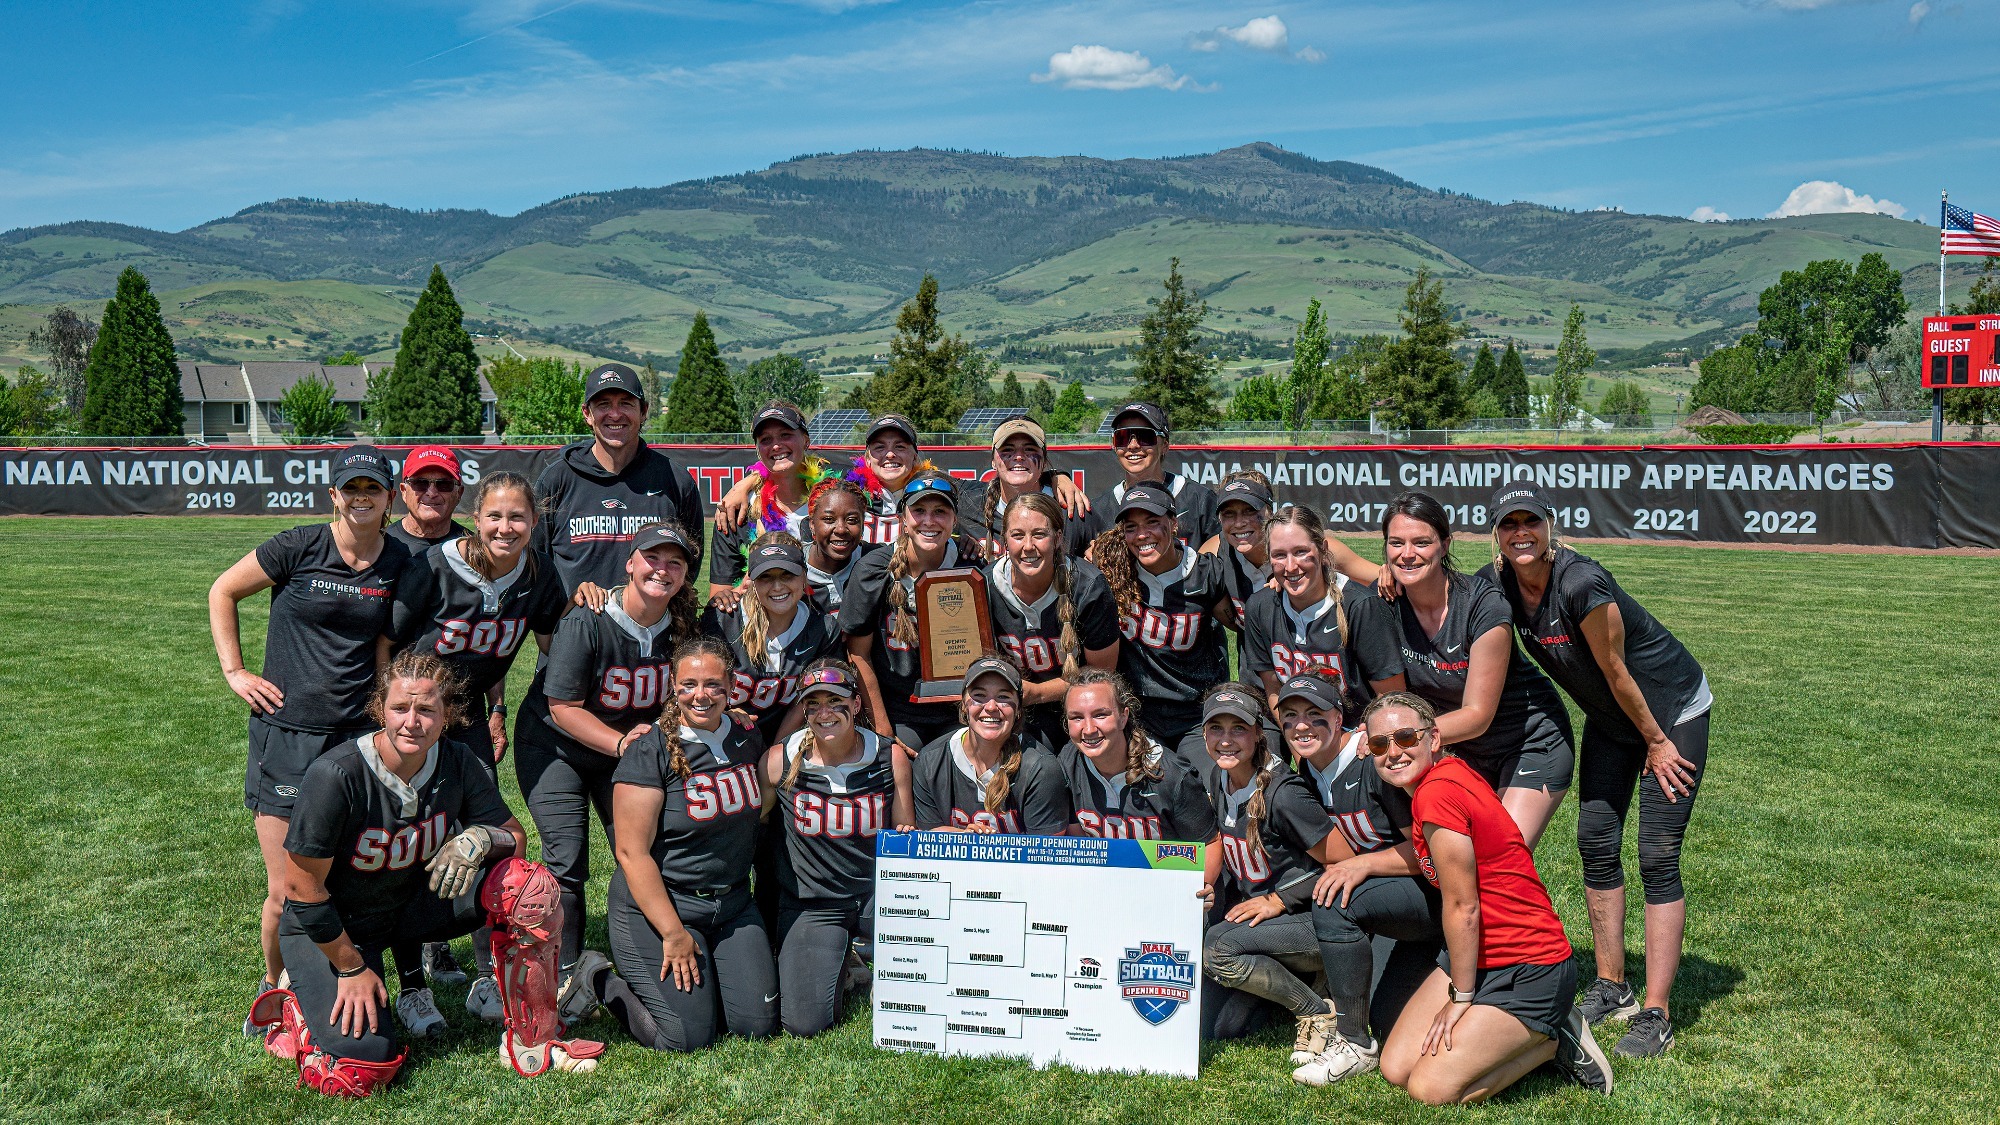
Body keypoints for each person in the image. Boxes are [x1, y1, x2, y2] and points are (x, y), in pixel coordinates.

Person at [245, 650, 602, 1096]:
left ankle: (532, 1039)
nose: (412, 721)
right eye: (400, 708)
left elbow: (514, 836)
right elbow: (301, 887)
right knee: (360, 1073)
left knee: (528, 888)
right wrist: (351, 967)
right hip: (336, 929)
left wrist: (479, 840)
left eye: (427, 709)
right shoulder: (336, 775)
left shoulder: (456, 760)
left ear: (448, 714)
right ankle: (296, 1008)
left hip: (410, 905)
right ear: (380, 710)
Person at [1479, 484, 1709, 1059]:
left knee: (1657, 852)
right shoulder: (1499, 584)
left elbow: (1615, 670)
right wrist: (1382, 573)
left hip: (1670, 711)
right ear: (1497, 535)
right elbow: (1442, 587)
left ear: (1551, 527)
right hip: (1611, 720)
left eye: (1531, 521)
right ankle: (1613, 987)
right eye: (1510, 524)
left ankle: (1656, 1013)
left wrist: (1657, 742)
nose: (1521, 533)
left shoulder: (1581, 582)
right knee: (1595, 841)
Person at [209, 445, 415, 1034]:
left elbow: (388, 649)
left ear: (388, 496)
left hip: (355, 741)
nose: (361, 499)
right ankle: (273, 987)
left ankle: (341, 975)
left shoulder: (398, 561)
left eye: (372, 490)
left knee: (345, 878)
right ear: (334, 495)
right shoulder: (299, 546)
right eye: (351, 489)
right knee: (285, 888)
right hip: (289, 735)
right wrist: (235, 671)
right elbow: (223, 590)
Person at [1368, 692, 1613, 1103]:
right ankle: (1527, 1029)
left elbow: (1464, 907)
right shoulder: (1445, 777)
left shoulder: (1436, 794)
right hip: (1480, 956)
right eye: (1380, 743)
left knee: (1430, 1089)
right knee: (1395, 1068)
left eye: (1406, 737)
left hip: (1529, 967)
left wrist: (1461, 998)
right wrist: (1363, 864)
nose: (1393, 752)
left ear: (1433, 738)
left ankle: (1554, 1039)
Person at [388, 470, 570, 1018]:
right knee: (404, 841)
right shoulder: (437, 566)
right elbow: (389, 643)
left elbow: (551, 641)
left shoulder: (537, 573)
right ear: (477, 516)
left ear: (534, 523)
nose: (506, 527)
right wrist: (390, 722)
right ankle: (413, 982)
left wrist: (502, 708)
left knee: (485, 836)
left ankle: (489, 972)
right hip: (413, 722)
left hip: (465, 722)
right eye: (495, 516)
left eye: (518, 517)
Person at [512, 522, 701, 1017]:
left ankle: (646, 951)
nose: (662, 569)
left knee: (646, 851)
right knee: (567, 857)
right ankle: (564, 974)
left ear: (685, 576)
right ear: (630, 562)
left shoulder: (682, 625)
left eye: (674, 563)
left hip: (623, 749)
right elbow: (561, 706)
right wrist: (620, 744)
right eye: (652, 558)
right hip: (557, 746)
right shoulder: (589, 618)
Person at [1353, 492, 1575, 849]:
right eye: (1396, 543)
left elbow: (1477, 716)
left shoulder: (1483, 604)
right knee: (1451, 861)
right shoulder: (1384, 603)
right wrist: (1275, 581)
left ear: (1444, 545)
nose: (1407, 554)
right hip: (1455, 748)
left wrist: (1396, 736)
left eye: (1421, 542)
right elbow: (1324, 557)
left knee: (1499, 856)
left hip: (1528, 740)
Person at [596, 637, 776, 1052]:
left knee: (755, 1026)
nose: (700, 695)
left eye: (713, 684)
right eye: (688, 684)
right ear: (672, 687)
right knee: (687, 1037)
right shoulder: (649, 750)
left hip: (732, 904)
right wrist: (673, 933)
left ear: (731, 686)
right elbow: (630, 852)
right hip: (664, 905)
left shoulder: (747, 736)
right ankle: (597, 979)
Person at [1274, 672, 1443, 1088]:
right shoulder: (1309, 766)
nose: (1302, 726)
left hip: (1437, 893)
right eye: (1291, 715)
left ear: (1340, 717)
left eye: (1315, 715)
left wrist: (1362, 865)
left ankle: (1352, 1042)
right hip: (1391, 904)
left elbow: (1429, 853)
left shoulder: (1373, 759)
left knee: (1335, 900)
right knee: (1386, 1015)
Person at [1196, 683, 1351, 1055]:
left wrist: (1279, 899)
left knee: (1218, 951)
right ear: (1203, 734)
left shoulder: (1284, 793)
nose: (1226, 740)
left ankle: (1317, 1011)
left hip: (1315, 922)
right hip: (1265, 927)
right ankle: (1300, 981)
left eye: (1238, 728)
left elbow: (1345, 861)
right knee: (1223, 1028)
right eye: (1216, 728)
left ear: (1258, 733)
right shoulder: (1220, 776)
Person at [762, 657, 913, 1036]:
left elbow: (905, 831)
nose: (824, 713)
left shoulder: (888, 754)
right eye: (813, 704)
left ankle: (863, 950)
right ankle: (844, 957)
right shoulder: (781, 758)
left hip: (879, 896)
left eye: (835, 701)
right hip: (814, 903)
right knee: (804, 1024)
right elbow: (751, 824)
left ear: (857, 704)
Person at [839, 470, 986, 752]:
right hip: (900, 711)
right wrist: (882, 728)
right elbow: (858, 653)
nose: (929, 521)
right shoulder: (873, 570)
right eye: (919, 510)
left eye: (940, 511)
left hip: (959, 707)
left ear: (955, 519)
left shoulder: (972, 568)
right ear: (903, 519)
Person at [1091, 482, 1235, 766]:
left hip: (1194, 714)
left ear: (1173, 523)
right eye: (1131, 526)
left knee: (1208, 782)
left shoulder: (1204, 574)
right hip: (1138, 714)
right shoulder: (1114, 572)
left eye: (1153, 522)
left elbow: (1241, 623)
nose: (1142, 534)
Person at [533, 363, 705, 598]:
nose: (615, 414)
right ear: (587, 414)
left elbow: (689, 562)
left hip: (653, 631)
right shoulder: (557, 479)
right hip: (576, 629)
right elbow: (535, 562)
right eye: (604, 404)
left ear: (643, 411)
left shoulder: (676, 480)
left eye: (626, 403)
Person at [1242, 504, 1405, 728]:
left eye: (1301, 552)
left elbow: (1392, 697)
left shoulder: (1360, 606)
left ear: (1322, 549)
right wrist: (1301, 758)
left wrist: (1353, 744)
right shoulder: (1261, 607)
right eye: (1279, 555)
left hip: (1356, 735)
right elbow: (1274, 691)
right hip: (1298, 732)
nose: (1290, 566)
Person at [985, 492, 1121, 751]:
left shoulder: (1087, 586)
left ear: (1058, 538)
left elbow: (1102, 673)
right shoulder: (984, 586)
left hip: (1079, 708)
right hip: (1010, 709)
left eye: (1039, 534)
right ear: (1004, 540)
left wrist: (1037, 693)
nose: (1028, 546)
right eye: (1017, 535)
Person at [698, 533, 842, 746]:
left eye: (787, 574)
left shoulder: (823, 629)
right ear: (751, 580)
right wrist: (722, 714)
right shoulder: (722, 621)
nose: (777, 586)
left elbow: (808, 698)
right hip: (720, 735)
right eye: (766, 576)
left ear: (804, 577)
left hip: (787, 740)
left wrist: (777, 750)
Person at [911, 654, 1071, 834]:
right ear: (964, 704)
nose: (991, 707)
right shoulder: (930, 761)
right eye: (979, 695)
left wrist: (985, 849)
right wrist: (964, 839)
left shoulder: (1041, 768)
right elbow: (928, 844)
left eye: (1003, 697)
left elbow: (1045, 854)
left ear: (1018, 709)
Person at [720, 413, 927, 546]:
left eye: (900, 446)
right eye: (879, 447)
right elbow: (789, 468)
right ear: (867, 458)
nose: (889, 455)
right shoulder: (848, 483)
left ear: (915, 455)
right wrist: (746, 483)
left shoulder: (935, 493)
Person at [1059, 669, 1215, 843]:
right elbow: (1076, 841)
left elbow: (1210, 845)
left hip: (1165, 869)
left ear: (1123, 717)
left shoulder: (1171, 775)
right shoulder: (1066, 764)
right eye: (1077, 718)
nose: (1088, 729)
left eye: (1100, 715)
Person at [708, 403, 833, 601]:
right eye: (766, 439)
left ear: (806, 441)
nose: (776, 445)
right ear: (758, 450)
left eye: (785, 435)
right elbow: (718, 597)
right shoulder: (737, 512)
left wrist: (747, 481)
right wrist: (742, 589)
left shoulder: (834, 501)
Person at [1080, 401, 1219, 550]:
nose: (1133, 445)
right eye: (1122, 437)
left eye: (1144, 436)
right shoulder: (1098, 510)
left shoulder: (1200, 501)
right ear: (1114, 446)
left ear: (1165, 445)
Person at [957, 418, 1091, 558]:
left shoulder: (1071, 511)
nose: (1019, 456)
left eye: (1029, 449)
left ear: (1044, 461)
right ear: (993, 461)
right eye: (1008, 449)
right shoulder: (968, 503)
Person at [801, 477, 881, 615]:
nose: (841, 529)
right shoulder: (791, 568)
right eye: (829, 519)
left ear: (863, 525)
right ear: (812, 524)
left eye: (852, 520)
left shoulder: (877, 562)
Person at [384, 445, 468, 554]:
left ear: (459, 493)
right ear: (404, 491)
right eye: (420, 483)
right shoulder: (379, 546)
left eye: (444, 484)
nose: (432, 493)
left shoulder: (473, 550)